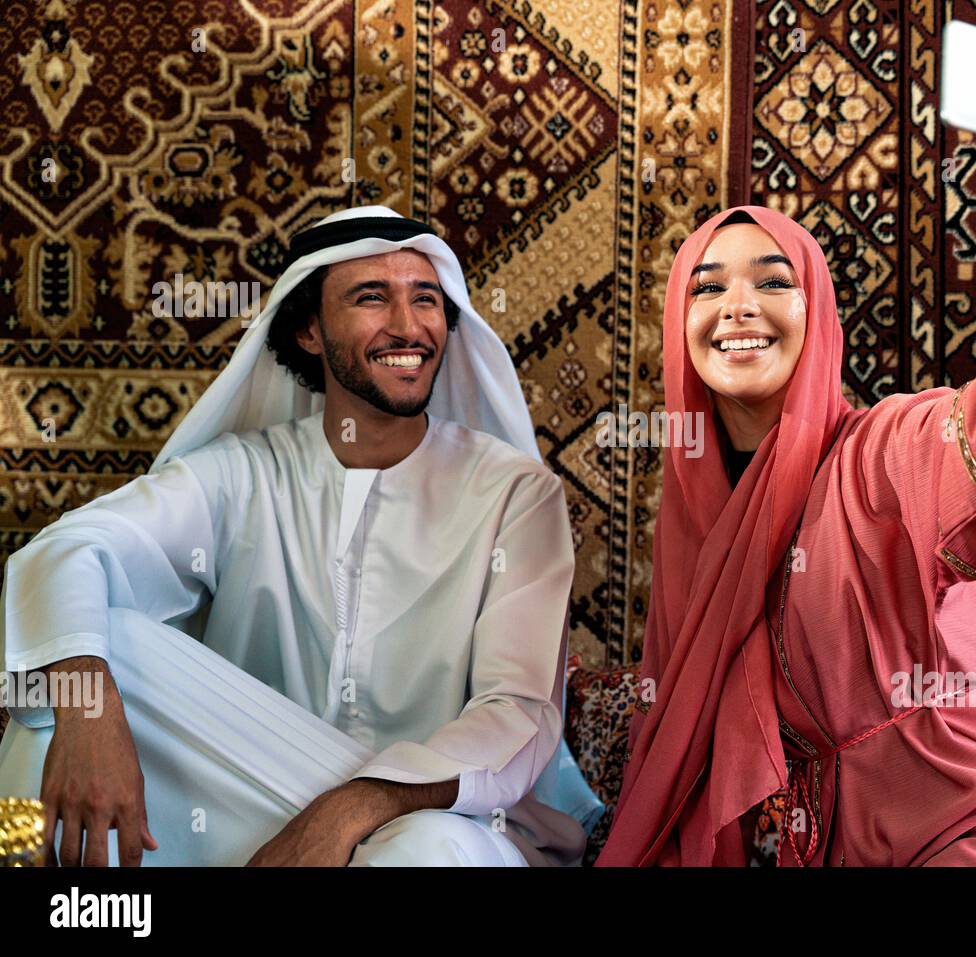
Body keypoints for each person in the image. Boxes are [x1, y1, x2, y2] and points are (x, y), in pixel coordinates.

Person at [595, 43, 976, 866]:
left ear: (818, 314)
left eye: (773, 280)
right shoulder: (691, 514)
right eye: (707, 286)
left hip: (965, 821)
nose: (739, 307)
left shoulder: (879, 454)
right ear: (678, 328)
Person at [0, 205, 604, 866]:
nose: (407, 325)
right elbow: (63, 550)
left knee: (428, 853)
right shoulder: (243, 473)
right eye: (373, 297)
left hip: (444, 815)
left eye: (425, 299)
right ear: (310, 330)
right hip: (260, 798)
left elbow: (516, 710)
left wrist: (348, 807)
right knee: (78, 665)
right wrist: (91, 717)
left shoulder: (515, 493)